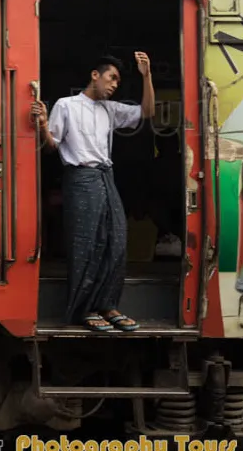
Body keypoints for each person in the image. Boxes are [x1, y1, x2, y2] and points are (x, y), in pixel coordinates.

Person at [31, 53, 154, 332]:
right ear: (95, 75)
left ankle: (107, 305)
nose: (114, 85)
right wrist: (41, 124)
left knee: (116, 241)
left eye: (119, 82)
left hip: (105, 176)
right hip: (80, 177)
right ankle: (82, 309)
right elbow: (52, 145)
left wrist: (146, 75)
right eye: (112, 78)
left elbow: (146, 112)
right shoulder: (67, 105)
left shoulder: (110, 109)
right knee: (86, 245)